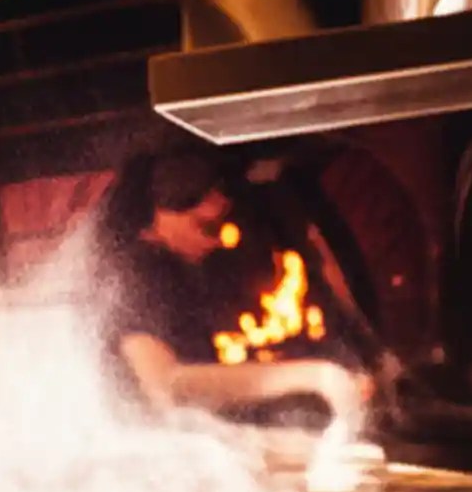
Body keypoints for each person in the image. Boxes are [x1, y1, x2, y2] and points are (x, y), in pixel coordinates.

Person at [92, 150, 365, 422]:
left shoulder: (172, 269)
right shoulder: (143, 271)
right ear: (167, 209)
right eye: (207, 226)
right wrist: (315, 377)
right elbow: (166, 385)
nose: (219, 241)